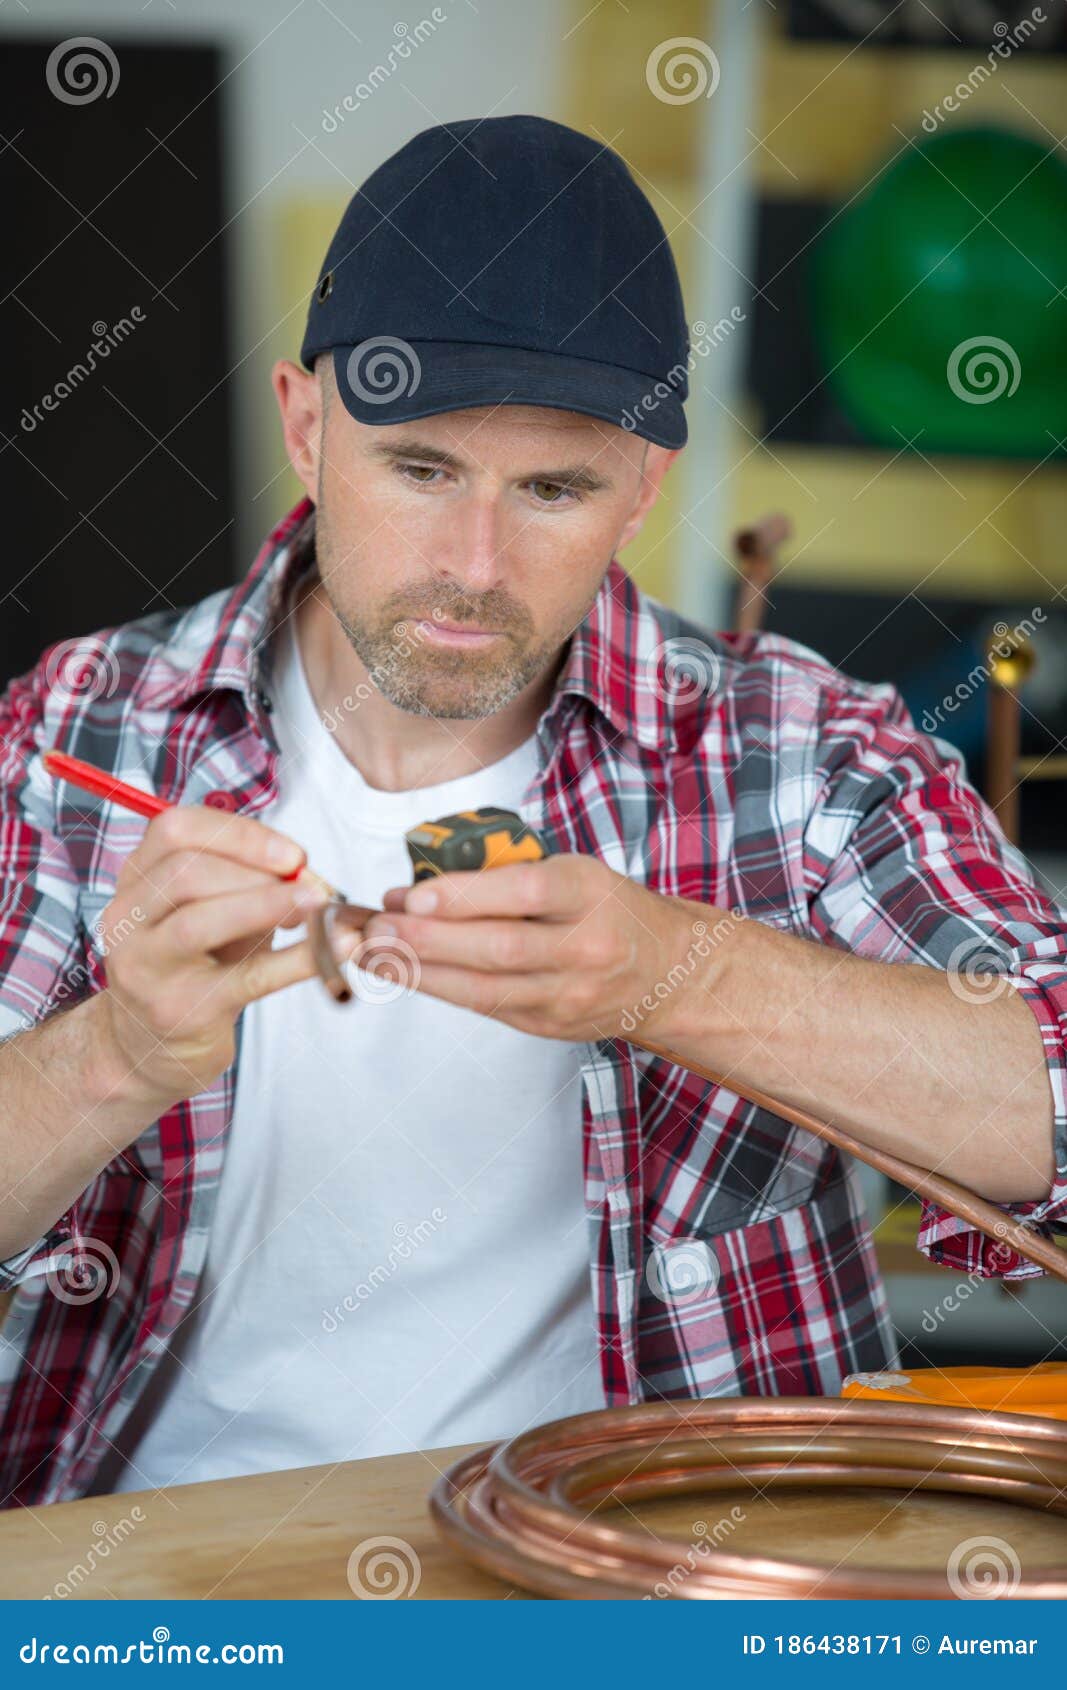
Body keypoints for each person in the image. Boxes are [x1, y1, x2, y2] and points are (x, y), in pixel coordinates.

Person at [0, 115, 1063, 1510]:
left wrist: (674, 972)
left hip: (641, 1587)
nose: (474, 565)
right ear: (307, 426)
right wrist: (117, 1053)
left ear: (643, 489)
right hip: (156, 1575)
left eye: (554, 488)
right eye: (423, 469)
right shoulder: (80, 730)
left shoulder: (803, 756)